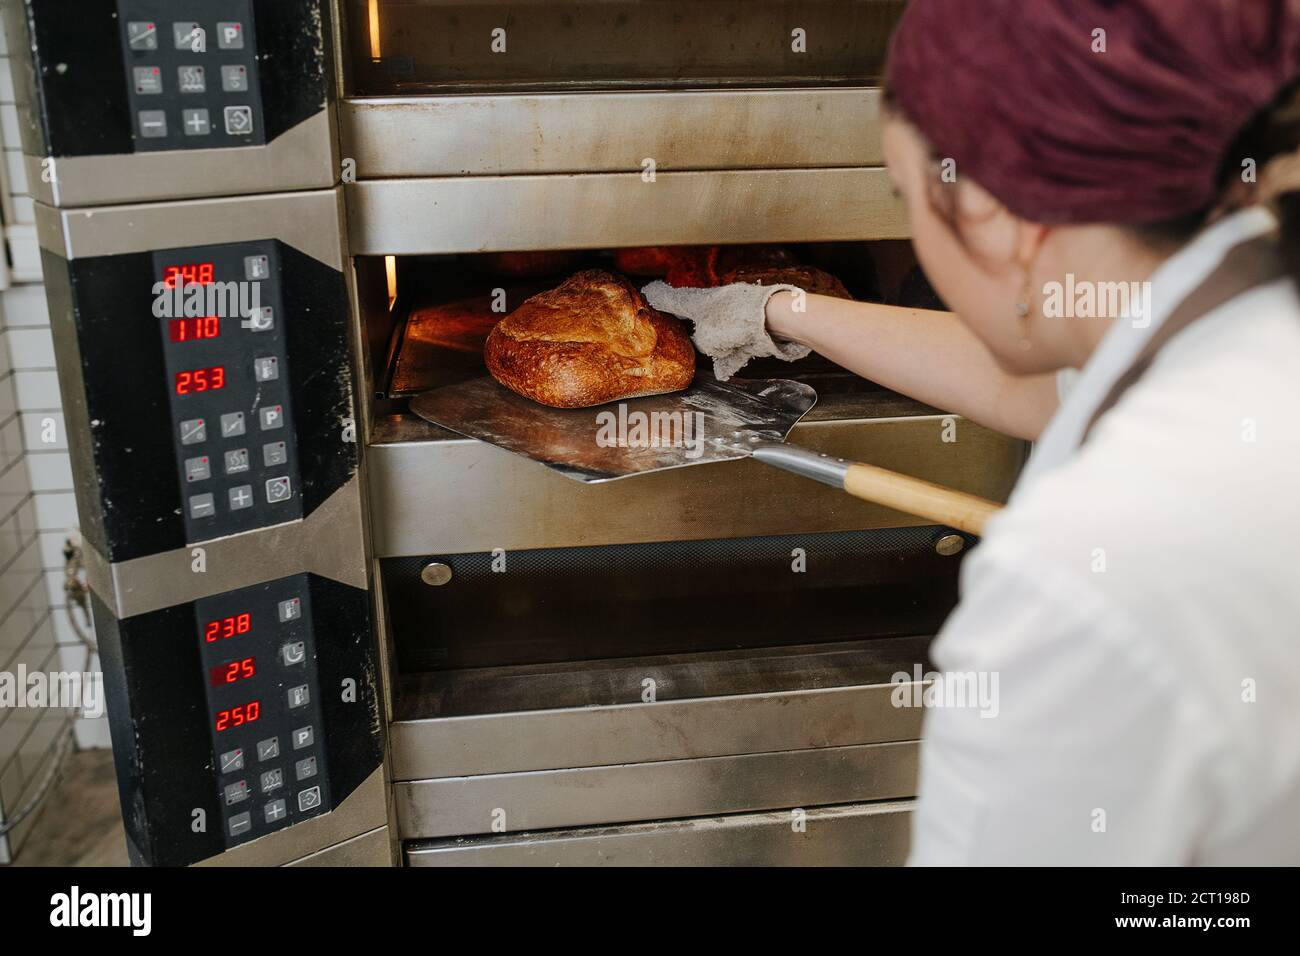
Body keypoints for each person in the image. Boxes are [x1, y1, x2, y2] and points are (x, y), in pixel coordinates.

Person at [644, 0, 1300, 864]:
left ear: (990, 208)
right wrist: (780, 313)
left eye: (902, 194)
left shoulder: (1075, 583)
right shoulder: (1242, 313)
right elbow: (1055, 381)